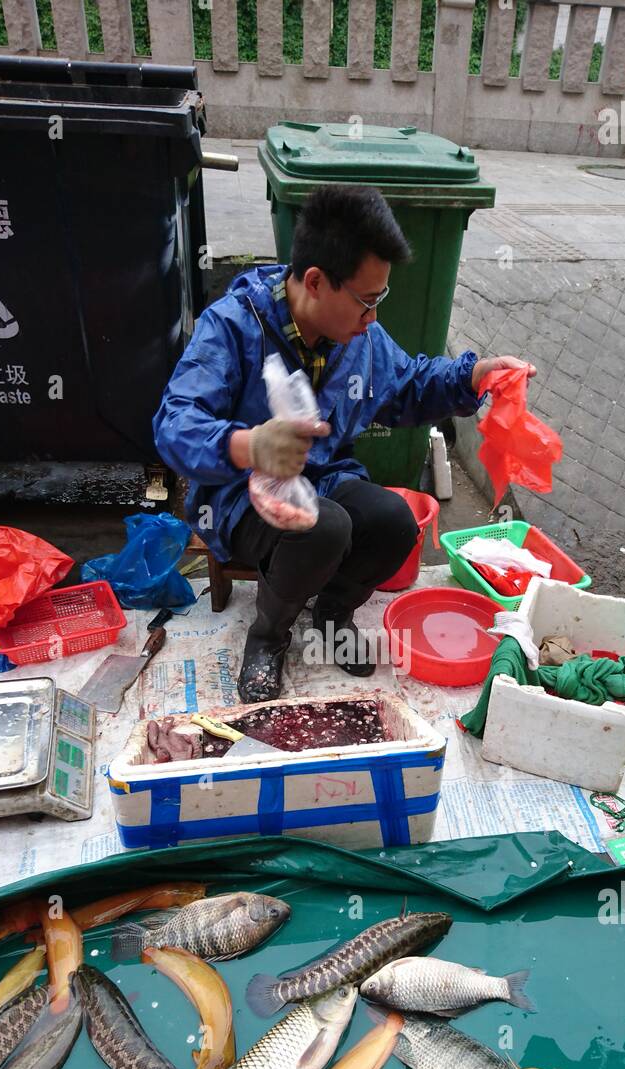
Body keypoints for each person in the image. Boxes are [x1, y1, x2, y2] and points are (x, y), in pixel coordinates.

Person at [154, 184, 535, 702]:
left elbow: (409, 384)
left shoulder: (360, 338)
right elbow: (174, 425)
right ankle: (269, 635)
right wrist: (248, 446)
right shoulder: (234, 326)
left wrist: (473, 377)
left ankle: (332, 614)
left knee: (395, 522)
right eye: (366, 301)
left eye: (380, 299)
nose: (373, 318)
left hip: (324, 477)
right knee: (323, 527)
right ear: (315, 282)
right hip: (238, 494)